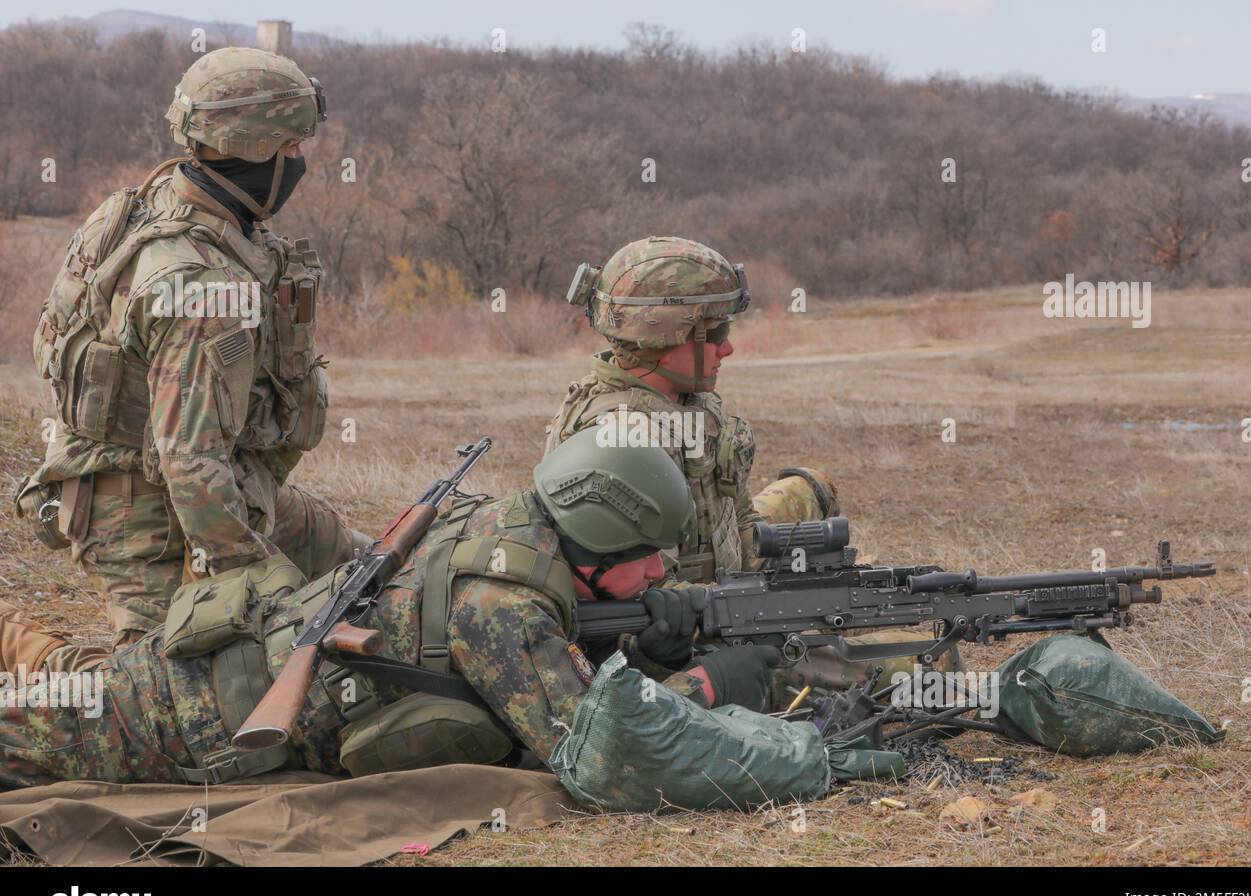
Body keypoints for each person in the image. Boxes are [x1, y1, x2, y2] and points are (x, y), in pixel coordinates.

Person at [0, 430, 780, 790]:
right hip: (197, 718)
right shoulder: (501, 611)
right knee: (25, 740)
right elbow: (600, 760)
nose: (657, 573)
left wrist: (651, 644)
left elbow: (565, 657)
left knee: (66, 693)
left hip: (214, 668)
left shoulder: (506, 519)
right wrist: (708, 686)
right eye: (645, 556)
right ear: (594, 542)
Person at [14, 46, 368, 661]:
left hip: (221, 484)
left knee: (370, 573)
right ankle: (22, 648)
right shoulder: (201, 289)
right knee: (159, 710)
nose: (299, 161)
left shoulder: (159, 200)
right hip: (140, 512)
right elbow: (191, 461)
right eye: (290, 146)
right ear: (252, 147)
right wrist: (258, 585)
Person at [547, 236, 839, 585]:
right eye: (717, 333)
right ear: (664, 338)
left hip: (723, 569)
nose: (727, 348)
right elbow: (650, 596)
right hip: (691, 618)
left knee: (812, 489)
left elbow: (738, 513)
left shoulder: (683, 399)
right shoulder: (626, 440)